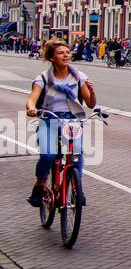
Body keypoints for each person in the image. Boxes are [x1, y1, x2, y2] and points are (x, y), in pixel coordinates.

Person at [24, 38, 97, 208]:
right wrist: (32, 108)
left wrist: (92, 91)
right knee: (48, 155)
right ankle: (40, 185)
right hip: (49, 119)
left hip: (72, 120)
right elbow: (31, 100)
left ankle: (77, 189)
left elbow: (91, 104)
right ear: (52, 58)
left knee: (77, 152)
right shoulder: (43, 78)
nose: (66, 55)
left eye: (67, 52)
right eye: (60, 53)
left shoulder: (79, 77)